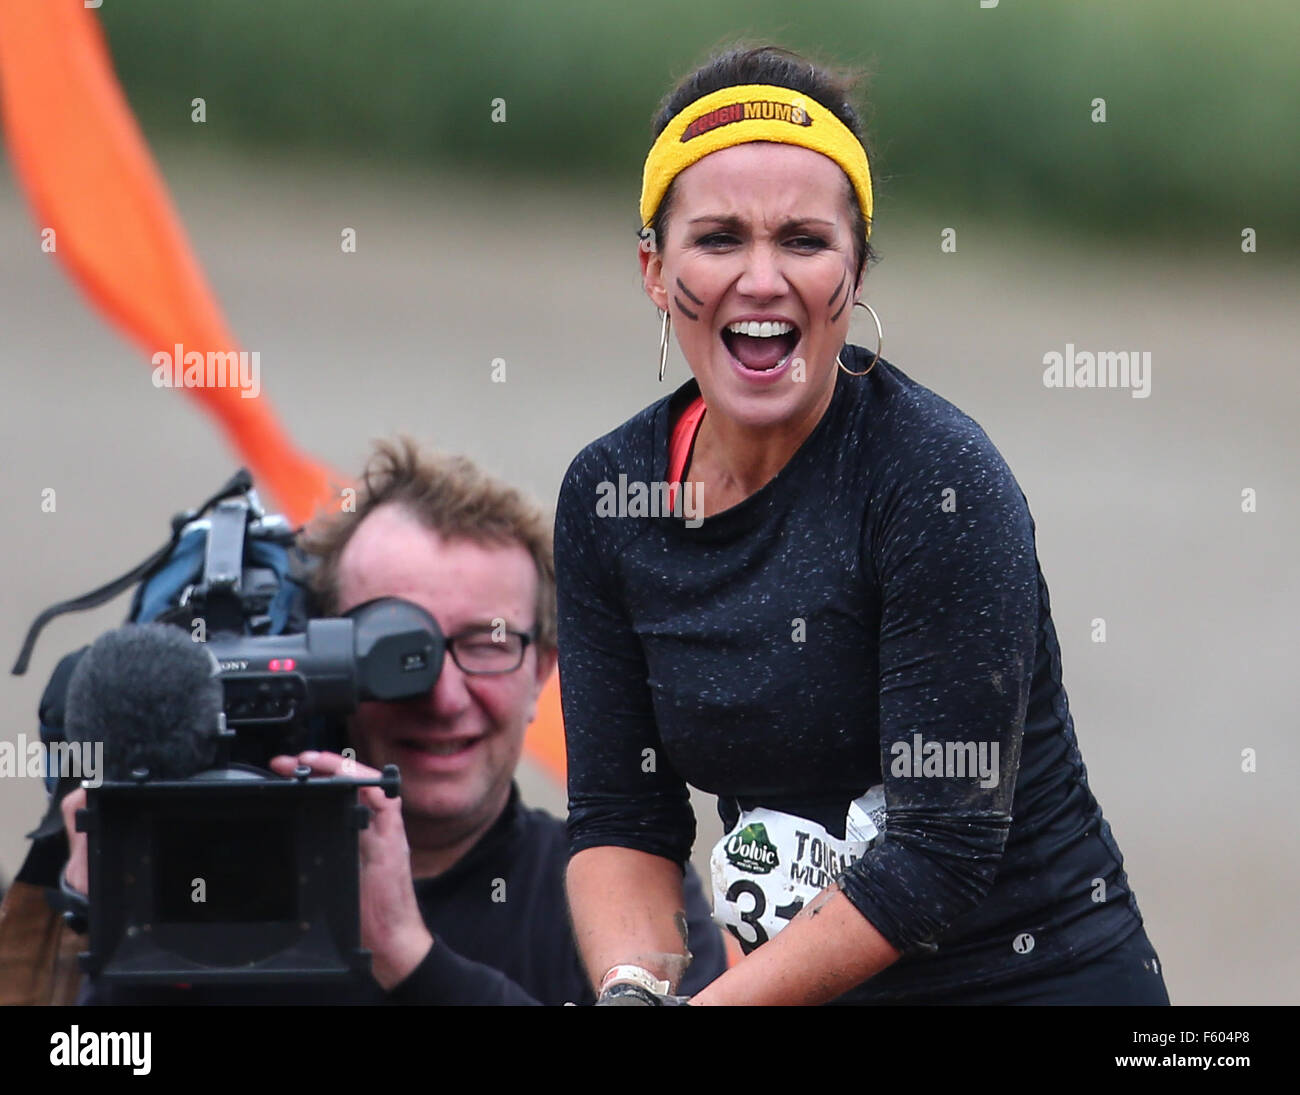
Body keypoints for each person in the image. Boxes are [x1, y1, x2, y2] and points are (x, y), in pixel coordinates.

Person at [555, 45, 1170, 1006]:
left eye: (804, 240)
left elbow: (936, 854)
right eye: (718, 239)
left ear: (857, 268)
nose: (762, 278)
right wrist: (634, 989)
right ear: (653, 268)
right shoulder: (610, 493)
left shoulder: (938, 482)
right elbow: (620, 816)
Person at [60, 438, 725, 1004]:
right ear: (317, 655)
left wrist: (411, 959)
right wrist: (104, 927)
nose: (441, 693)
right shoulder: (215, 874)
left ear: (544, 671)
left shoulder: (618, 893)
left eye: (486, 642)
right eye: (391, 651)